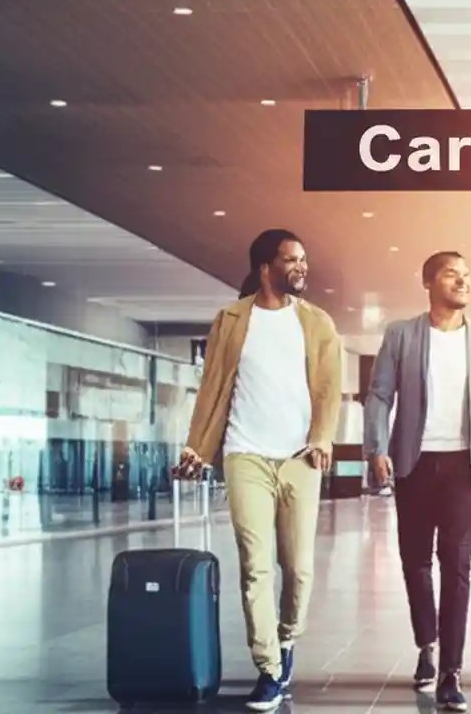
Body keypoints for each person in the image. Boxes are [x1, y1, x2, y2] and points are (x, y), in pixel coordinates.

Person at [176, 228, 343, 711]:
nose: (301, 267)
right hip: (244, 454)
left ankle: (287, 640)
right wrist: (197, 448)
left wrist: (323, 435)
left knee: (299, 568)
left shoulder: (316, 322)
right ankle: (268, 669)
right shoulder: (231, 320)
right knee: (255, 567)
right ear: (265, 267)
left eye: (303, 259)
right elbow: (213, 388)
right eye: (292, 259)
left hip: (300, 460)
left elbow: (329, 387)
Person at [363, 250, 471, 712]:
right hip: (413, 463)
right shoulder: (401, 334)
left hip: (463, 469)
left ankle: (451, 669)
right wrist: (376, 449)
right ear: (429, 282)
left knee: (457, 567)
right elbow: (378, 395)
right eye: (452, 274)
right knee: (415, 563)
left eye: (468, 275)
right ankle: (426, 645)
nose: (463, 281)